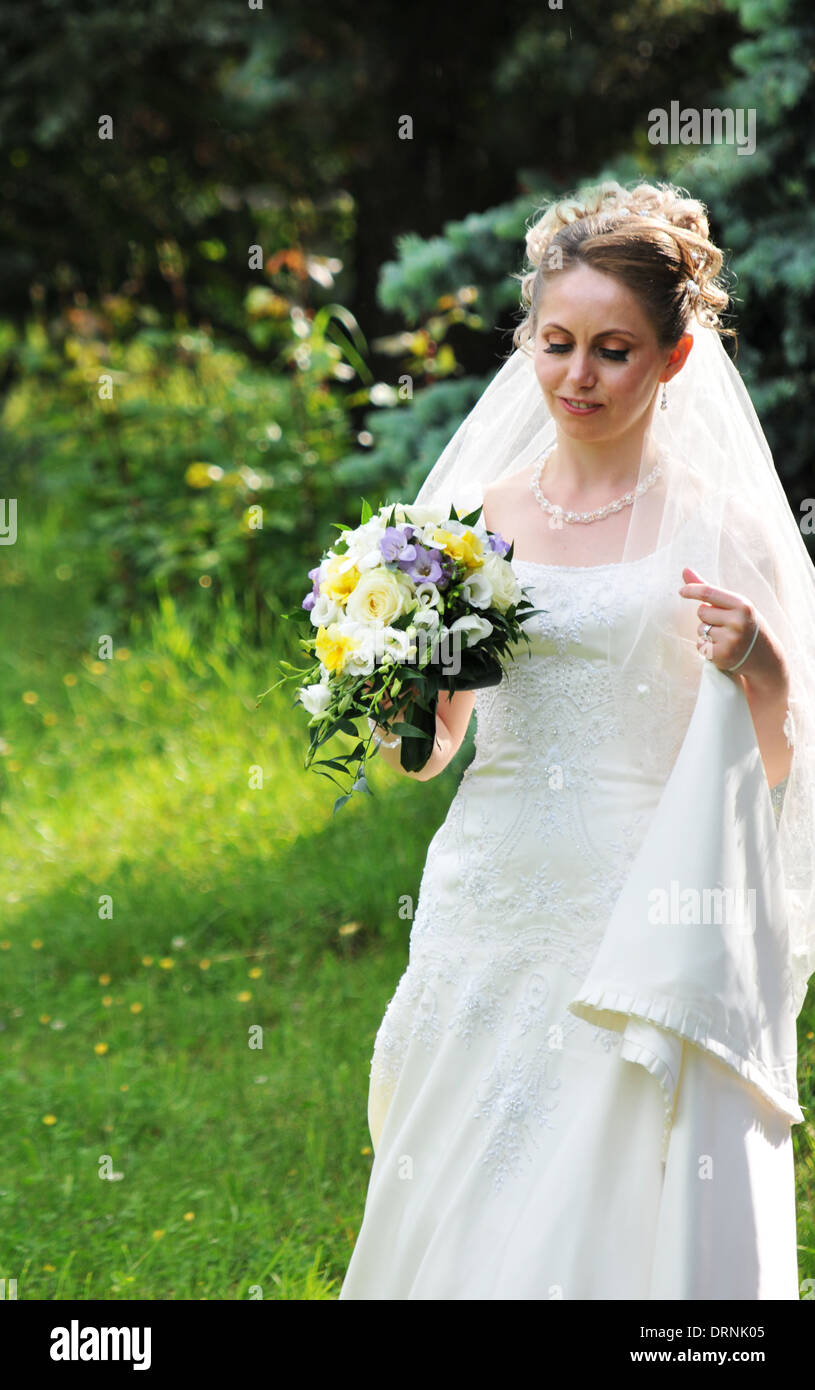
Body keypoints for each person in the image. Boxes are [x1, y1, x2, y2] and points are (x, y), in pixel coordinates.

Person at [338, 180, 815, 1300]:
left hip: (632, 900)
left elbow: (787, 753)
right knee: (464, 1163)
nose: (577, 376)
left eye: (612, 349)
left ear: (671, 360)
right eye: (555, 344)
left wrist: (757, 658)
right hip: (486, 892)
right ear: (526, 342)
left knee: (592, 1186)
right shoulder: (473, 521)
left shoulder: (716, 521)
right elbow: (427, 753)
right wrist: (405, 683)